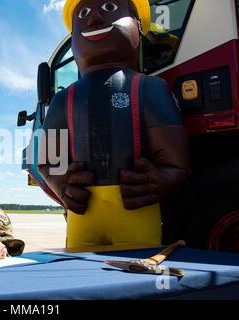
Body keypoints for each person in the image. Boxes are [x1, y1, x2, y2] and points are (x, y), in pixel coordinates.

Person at [37, 0, 190, 247]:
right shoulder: (62, 99)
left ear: (138, 26)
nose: (94, 19)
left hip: (134, 209)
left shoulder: (150, 88)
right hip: (86, 213)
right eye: (83, 14)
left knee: (138, 276)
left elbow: (175, 162)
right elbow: (47, 160)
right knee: (80, 275)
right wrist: (63, 184)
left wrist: (157, 183)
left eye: (109, 8)